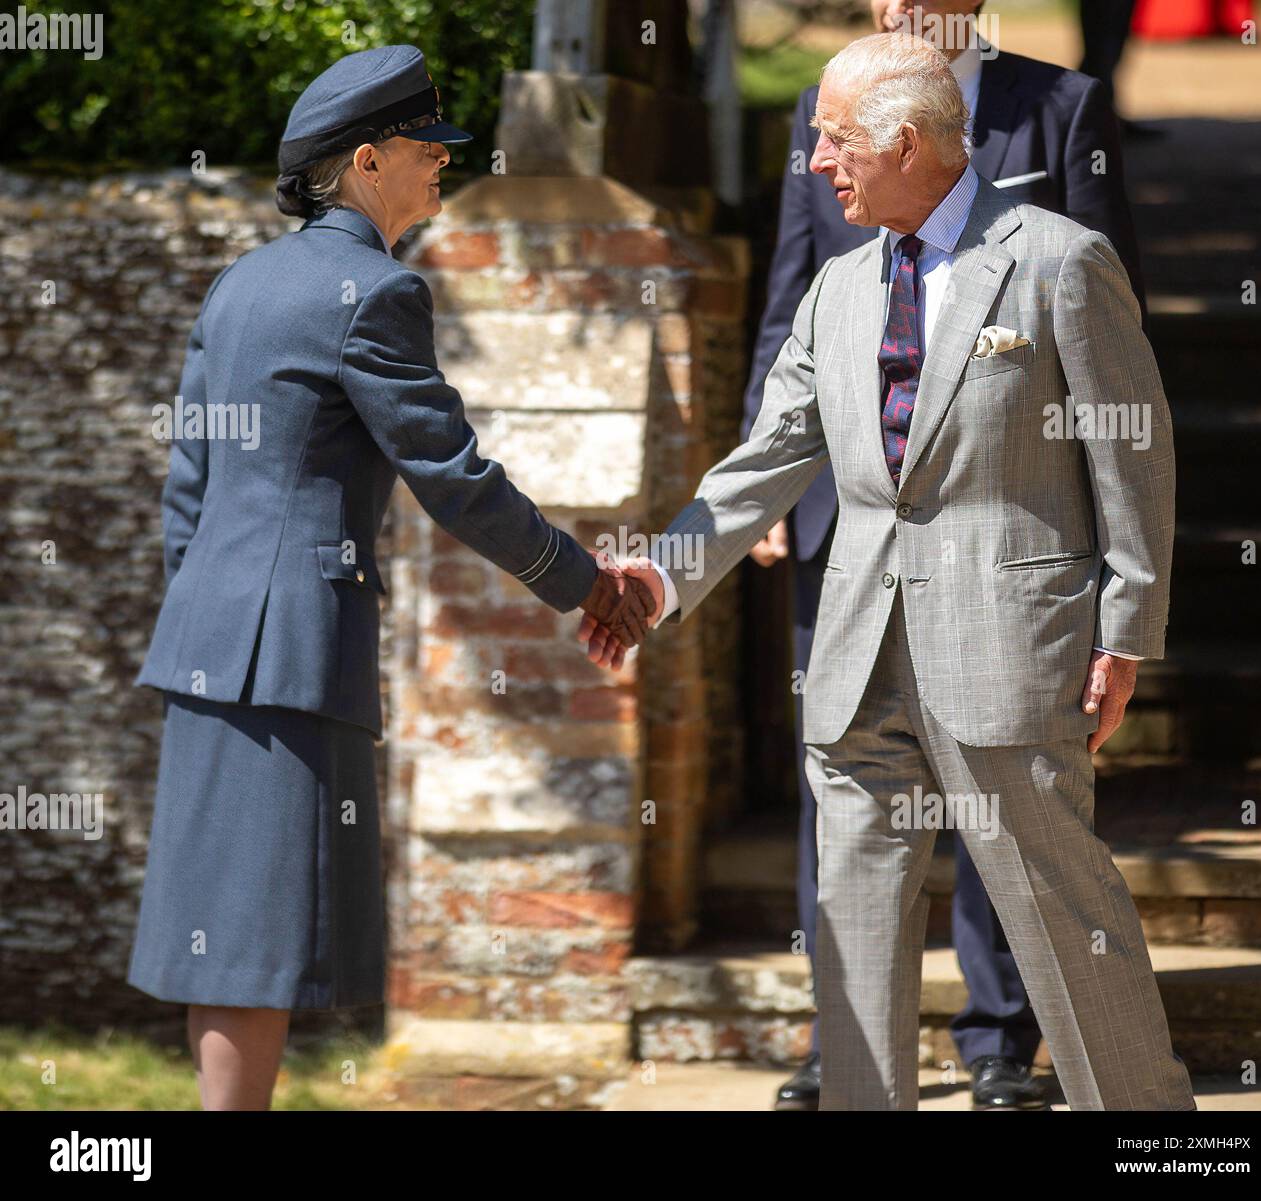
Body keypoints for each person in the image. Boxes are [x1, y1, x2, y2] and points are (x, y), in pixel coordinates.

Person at [601, 31, 1194, 1112]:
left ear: (905, 142)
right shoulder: (834, 290)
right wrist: (662, 572)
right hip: (856, 653)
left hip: (1012, 647)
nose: (818, 165)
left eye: (834, 143)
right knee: (855, 930)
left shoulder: (1058, 260)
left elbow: (1131, 453)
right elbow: (768, 457)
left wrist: (1125, 633)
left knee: (1065, 918)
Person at [128, 44, 652, 1110]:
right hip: (288, 655)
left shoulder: (239, 285)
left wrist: (210, 614)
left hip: (209, 644)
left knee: (225, 929)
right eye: (425, 152)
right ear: (367, 162)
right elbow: (450, 476)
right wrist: (582, 578)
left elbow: (188, 485)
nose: (440, 169)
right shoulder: (375, 292)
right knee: (254, 935)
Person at [737, 0, 1145, 1110]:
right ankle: (850, 1055)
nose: (823, 160)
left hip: (1006, 565)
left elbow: (1113, 395)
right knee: (856, 830)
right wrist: (726, 512)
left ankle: (1001, 1037)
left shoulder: (1055, 127)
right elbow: (792, 302)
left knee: (1014, 835)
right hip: (853, 533)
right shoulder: (833, 164)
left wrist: (1125, 617)